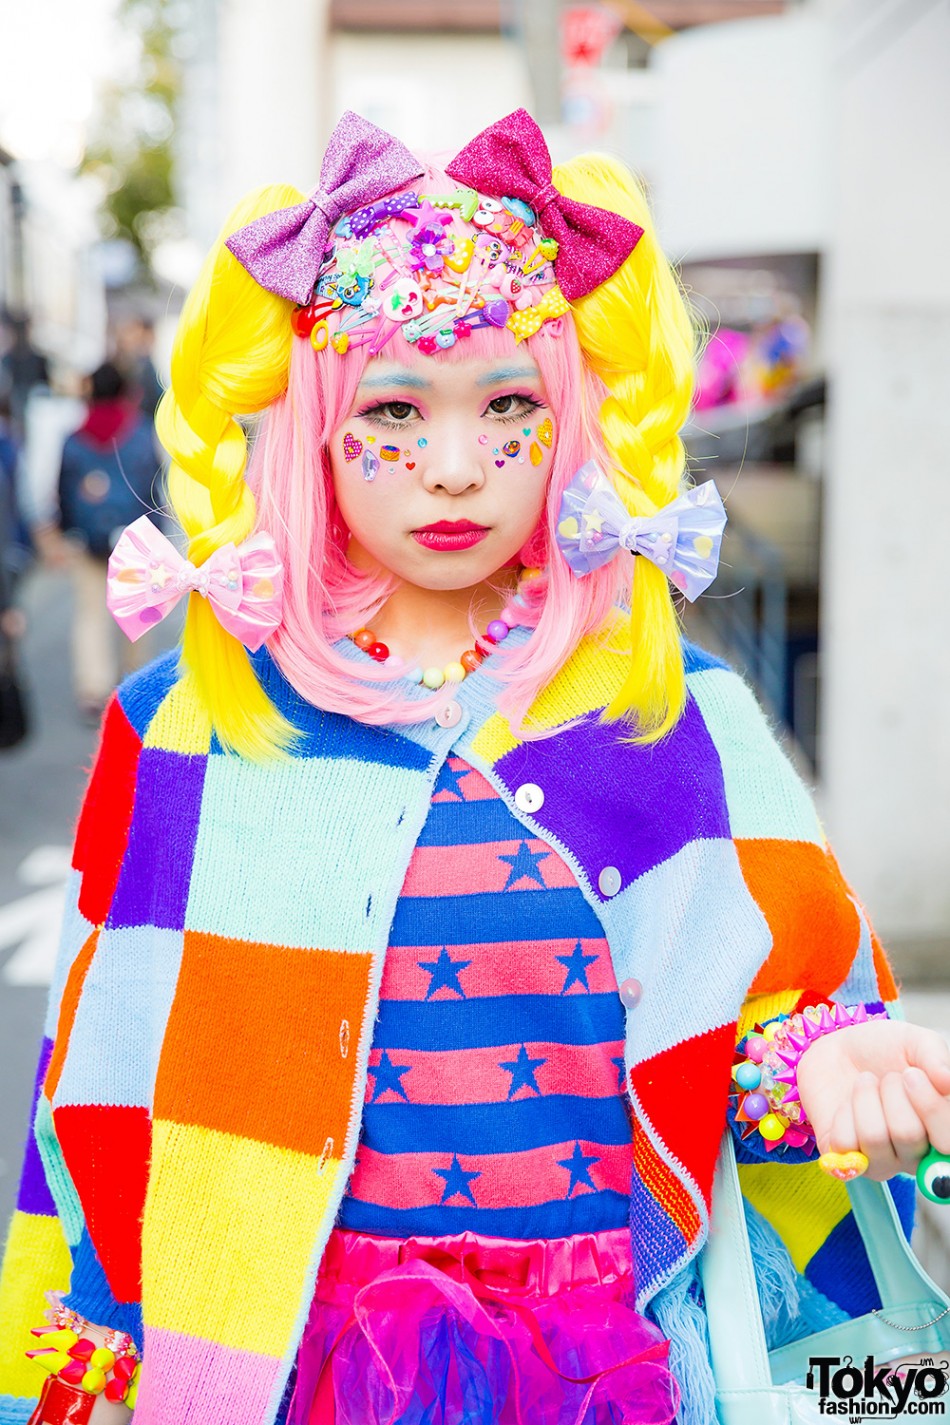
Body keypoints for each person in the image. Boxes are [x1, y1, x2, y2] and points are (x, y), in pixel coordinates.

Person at [1, 108, 949, 1425]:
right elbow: (100, 1082)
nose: (454, 470)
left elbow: (772, 1020)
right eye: (393, 410)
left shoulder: (675, 712)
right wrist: (81, 1358)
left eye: (508, 407)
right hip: (284, 1365)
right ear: (314, 426)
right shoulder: (184, 727)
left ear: (568, 418)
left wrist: (825, 1072)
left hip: (614, 1359)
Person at [47, 362, 163, 723]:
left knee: (90, 615)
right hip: (134, 540)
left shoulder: (74, 438)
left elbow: (63, 490)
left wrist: (67, 530)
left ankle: (93, 690)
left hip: (88, 540)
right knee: (137, 612)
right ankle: (137, 683)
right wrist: (156, 535)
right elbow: (152, 487)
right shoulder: (140, 433)